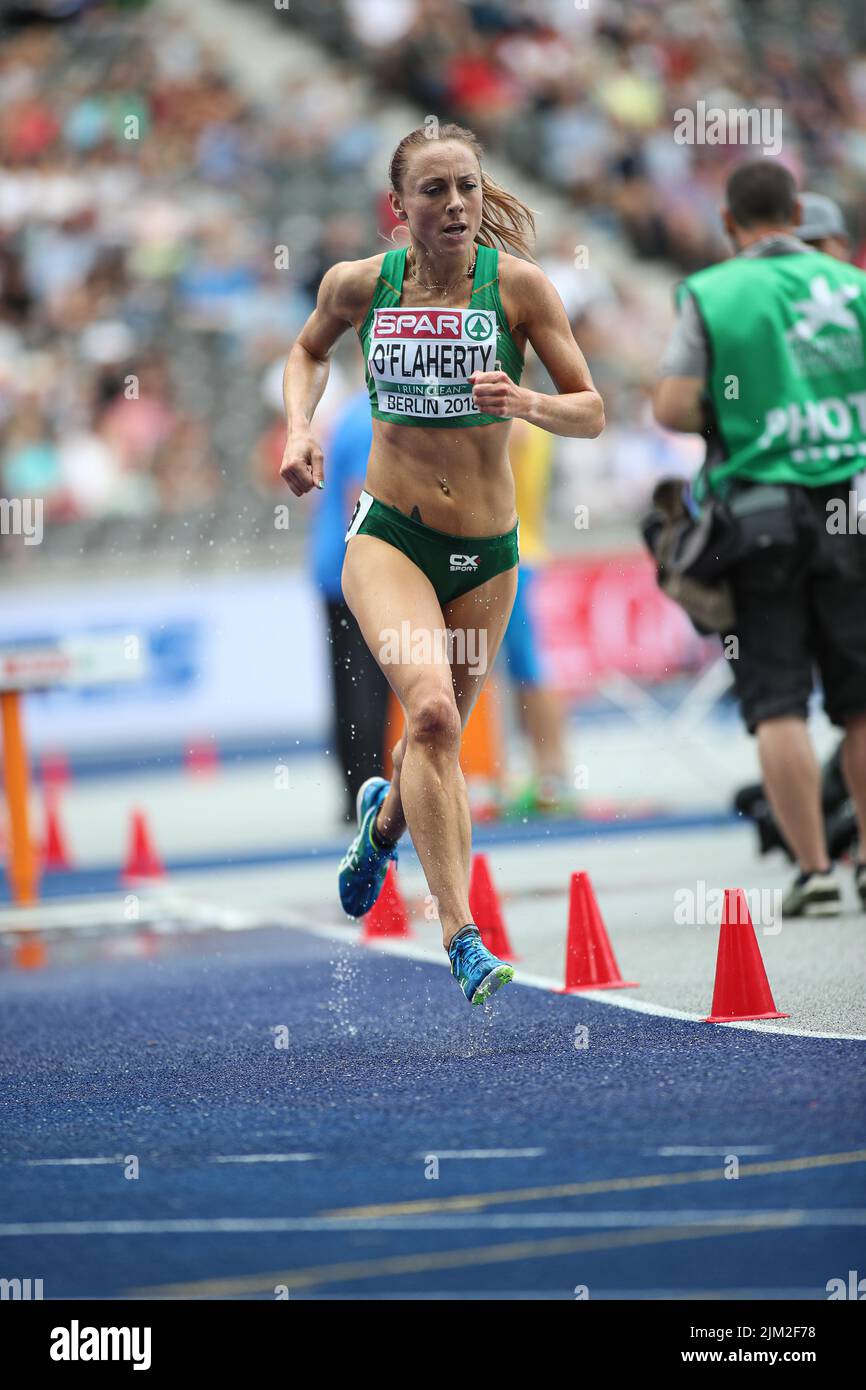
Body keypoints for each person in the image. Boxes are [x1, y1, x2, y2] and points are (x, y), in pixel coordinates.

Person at [281, 122, 603, 1003]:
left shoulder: (521, 290)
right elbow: (307, 350)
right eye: (434, 190)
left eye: (466, 186)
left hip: (489, 556)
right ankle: (462, 934)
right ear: (401, 207)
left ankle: (382, 825)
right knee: (426, 713)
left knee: (438, 739)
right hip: (392, 537)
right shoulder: (361, 285)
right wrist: (300, 429)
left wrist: (527, 399)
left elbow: (592, 409)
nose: (455, 203)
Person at [654, 159, 866, 918]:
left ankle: (814, 869)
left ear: (730, 223)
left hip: (760, 518)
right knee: (861, 701)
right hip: (854, 509)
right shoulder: (855, 287)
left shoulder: (713, 292)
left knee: (778, 704)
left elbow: (674, 407)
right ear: (800, 211)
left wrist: (738, 407)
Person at [308, 386, 390, 823]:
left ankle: (354, 792)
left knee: (349, 683)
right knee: (366, 686)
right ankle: (367, 792)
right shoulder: (371, 420)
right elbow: (358, 501)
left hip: (333, 568)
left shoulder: (350, 414)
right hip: (354, 573)